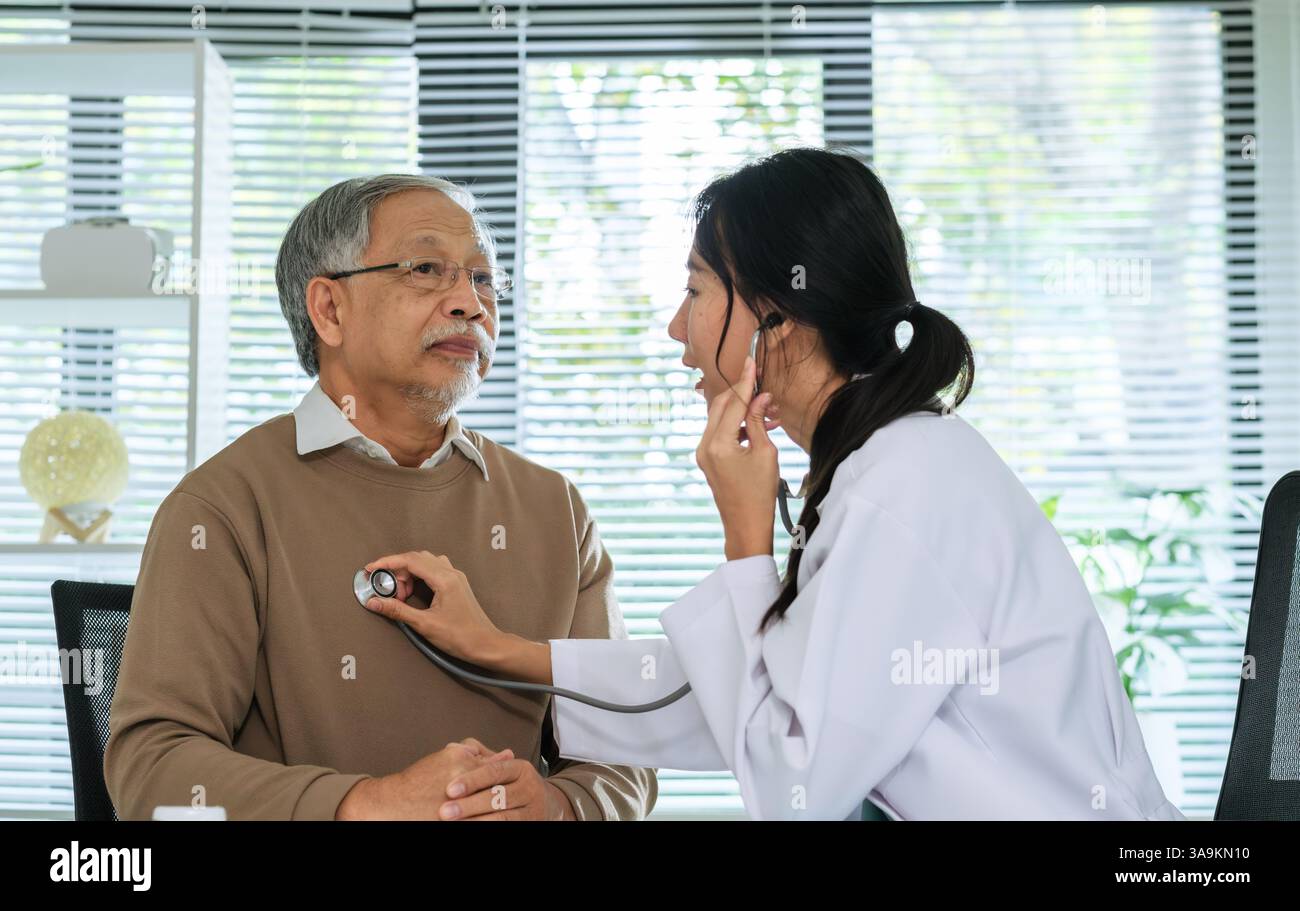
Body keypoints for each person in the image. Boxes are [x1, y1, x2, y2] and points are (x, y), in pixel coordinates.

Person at [359, 148, 1185, 821]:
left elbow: (793, 782)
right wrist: (500, 650)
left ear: (775, 318)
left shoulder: (904, 488)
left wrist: (745, 539)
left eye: (694, 291)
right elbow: (747, 696)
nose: (675, 327)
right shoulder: (886, 466)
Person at [104, 174, 656, 821]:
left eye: (483, 278)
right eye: (426, 269)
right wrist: (369, 805)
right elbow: (153, 768)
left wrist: (556, 804)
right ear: (330, 310)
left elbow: (624, 756)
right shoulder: (222, 507)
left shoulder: (555, 509)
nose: (470, 303)